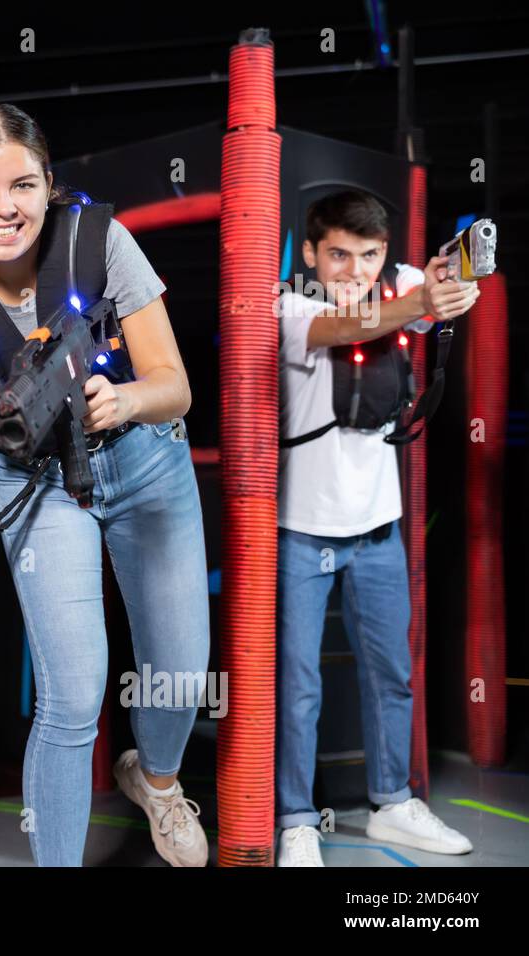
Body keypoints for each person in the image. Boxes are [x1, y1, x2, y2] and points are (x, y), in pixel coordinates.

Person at [0, 103, 212, 867]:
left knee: (180, 677)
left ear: (49, 184)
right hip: (41, 481)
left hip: (147, 456)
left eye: (23, 184)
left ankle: (155, 781)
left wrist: (124, 399)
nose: (4, 207)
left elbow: (175, 385)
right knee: (72, 696)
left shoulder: (101, 241)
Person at [275, 190, 478, 866]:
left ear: (385, 253)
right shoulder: (289, 305)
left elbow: (445, 289)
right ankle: (296, 819)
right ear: (310, 253)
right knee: (298, 685)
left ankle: (393, 803)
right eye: (337, 255)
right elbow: (351, 326)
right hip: (301, 532)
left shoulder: (406, 284)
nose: (353, 269)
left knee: (392, 673)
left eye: (368, 255)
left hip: (378, 530)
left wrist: (457, 278)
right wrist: (423, 302)